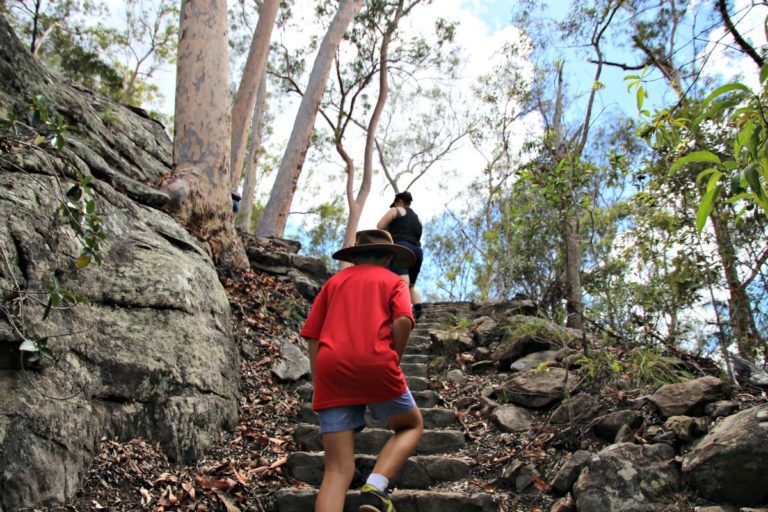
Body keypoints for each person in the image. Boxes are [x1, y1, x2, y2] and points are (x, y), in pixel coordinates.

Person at [300, 229, 424, 512]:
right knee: (410, 425)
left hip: (332, 369)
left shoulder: (333, 283)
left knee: (336, 470)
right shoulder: (394, 281)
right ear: (390, 257)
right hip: (376, 362)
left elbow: (313, 337)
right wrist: (394, 357)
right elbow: (404, 322)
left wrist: (319, 384)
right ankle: (375, 488)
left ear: (355, 257)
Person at [376, 191, 424, 319]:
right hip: (418, 251)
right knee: (411, 285)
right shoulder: (418, 218)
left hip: (402, 248)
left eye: (395, 203)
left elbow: (379, 226)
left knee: (402, 282)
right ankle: (418, 309)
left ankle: (404, 311)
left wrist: (389, 234)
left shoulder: (395, 210)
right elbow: (418, 235)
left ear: (399, 202)